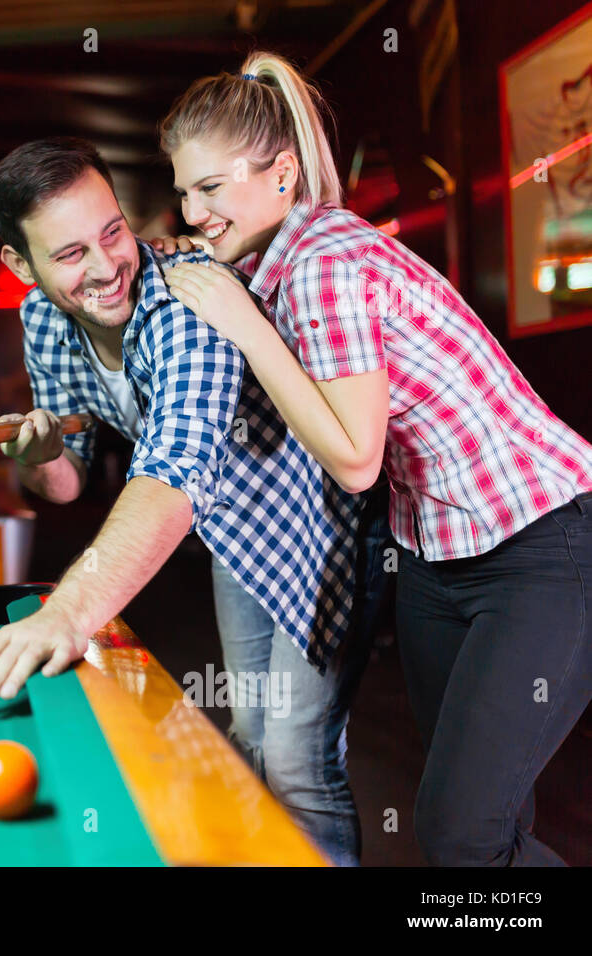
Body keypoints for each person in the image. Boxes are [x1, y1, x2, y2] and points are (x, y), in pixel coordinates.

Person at [156, 51, 592, 865]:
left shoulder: (322, 260)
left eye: (210, 188)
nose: (192, 209)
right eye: (183, 190)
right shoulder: (279, 260)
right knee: (490, 828)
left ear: (281, 172)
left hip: (543, 544)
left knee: (460, 839)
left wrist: (245, 328)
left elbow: (355, 459)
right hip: (434, 557)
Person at [0, 137, 380, 864]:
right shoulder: (42, 322)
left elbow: (174, 474)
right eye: (68, 255)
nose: (105, 266)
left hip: (324, 527)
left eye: (112, 232)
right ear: (19, 265)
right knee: (252, 738)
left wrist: (68, 610)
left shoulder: (188, 304)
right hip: (237, 536)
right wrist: (41, 455)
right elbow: (69, 483)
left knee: (296, 761)